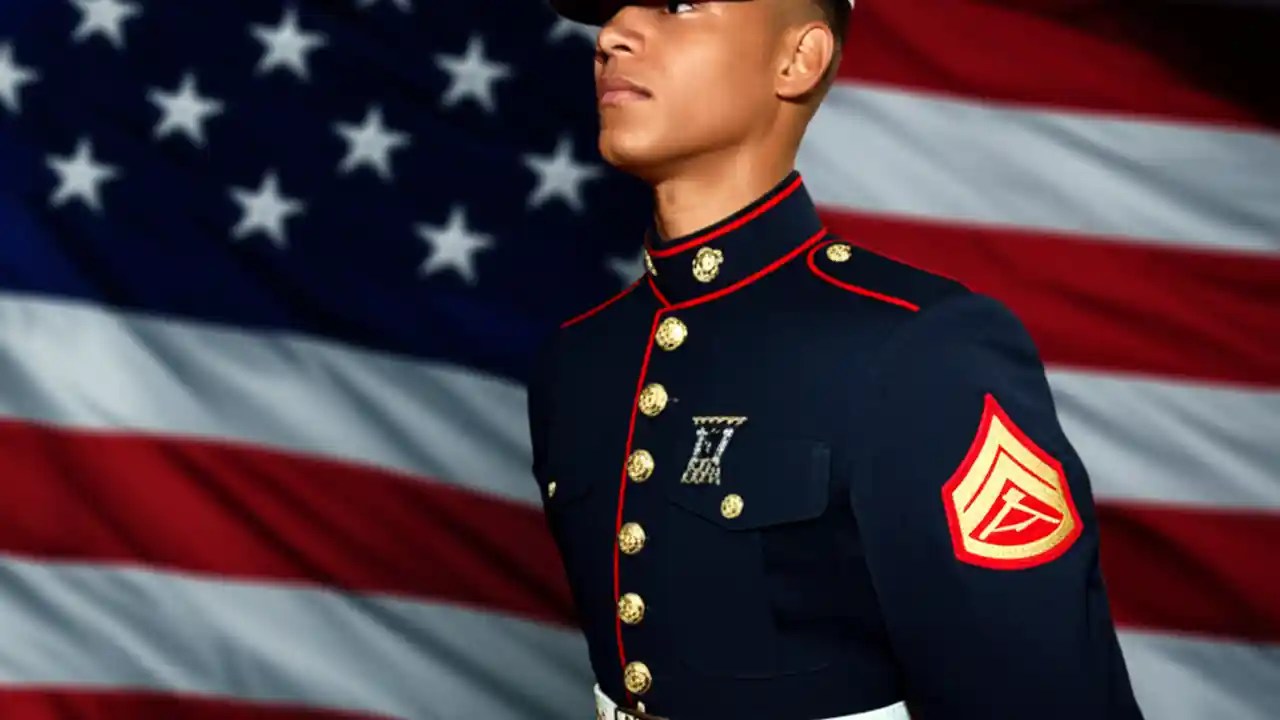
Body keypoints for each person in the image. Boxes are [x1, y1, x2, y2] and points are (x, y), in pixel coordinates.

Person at [526, 1, 1145, 718]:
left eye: (681, 5)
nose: (612, 37)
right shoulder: (580, 361)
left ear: (798, 60)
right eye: (611, 12)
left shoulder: (921, 352)